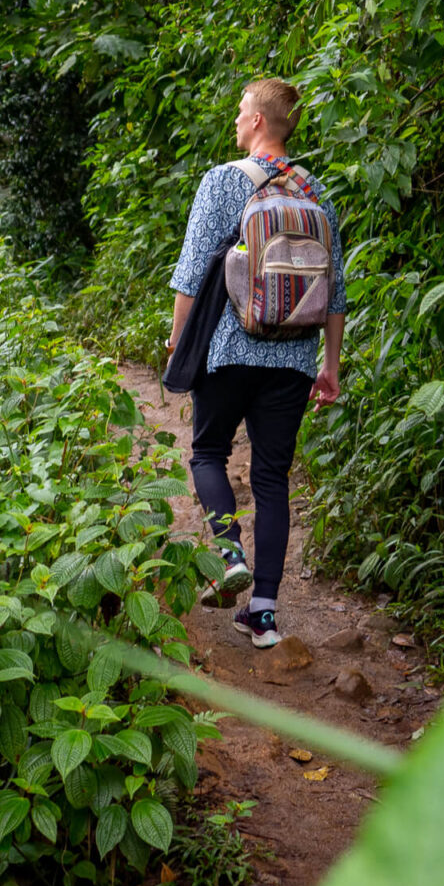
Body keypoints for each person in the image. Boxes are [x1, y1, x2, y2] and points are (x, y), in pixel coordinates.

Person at [167, 78, 347, 649]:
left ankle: (228, 555)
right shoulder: (317, 194)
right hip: (293, 358)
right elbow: (334, 293)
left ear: (260, 123)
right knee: (272, 478)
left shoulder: (222, 180)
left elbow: (193, 272)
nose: (236, 121)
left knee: (207, 453)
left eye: (242, 112)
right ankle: (264, 613)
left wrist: (178, 341)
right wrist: (330, 365)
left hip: (227, 349)